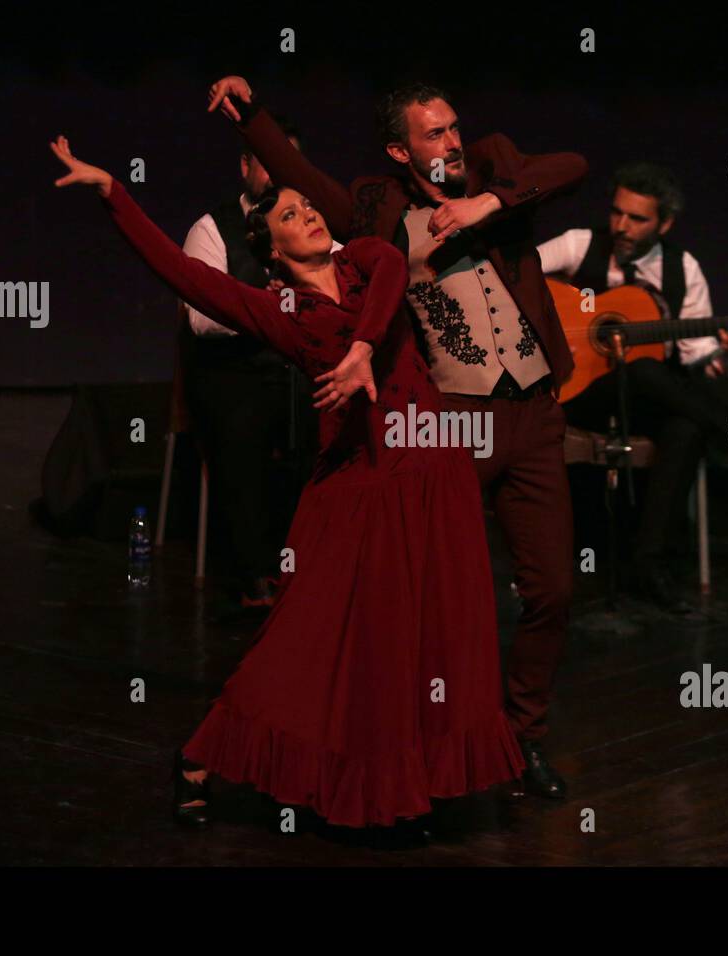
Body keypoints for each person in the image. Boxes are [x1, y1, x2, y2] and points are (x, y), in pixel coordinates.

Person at [50, 135, 526, 830]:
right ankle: (204, 757)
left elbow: (395, 267)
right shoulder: (280, 312)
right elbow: (185, 276)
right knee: (312, 635)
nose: (306, 214)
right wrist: (114, 197)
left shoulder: (364, 262)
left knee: (432, 633)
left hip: (431, 470)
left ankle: (421, 777)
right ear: (271, 251)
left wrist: (363, 349)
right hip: (356, 486)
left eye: (307, 205)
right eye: (288, 216)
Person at [207, 75, 585, 798]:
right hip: (454, 423)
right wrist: (251, 118)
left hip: (534, 413)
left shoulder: (493, 167)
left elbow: (571, 166)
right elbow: (300, 178)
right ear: (398, 148)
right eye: (433, 133)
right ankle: (433, 748)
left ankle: (524, 734)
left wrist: (488, 201)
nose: (451, 141)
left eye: (452, 127)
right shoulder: (376, 208)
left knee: (554, 591)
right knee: (437, 598)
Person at [538, 162, 728, 614]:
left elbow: (698, 355)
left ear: (665, 223)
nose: (621, 226)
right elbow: (509, 278)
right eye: (617, 213)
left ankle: (648, 564)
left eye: (637, 219)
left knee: (684, 425)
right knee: (640, 370)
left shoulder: (682, 270)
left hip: (646, 403)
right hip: (579, 396)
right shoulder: (580, 244)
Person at [178, 115, 321, 609]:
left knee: (335, 422)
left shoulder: (313, 225)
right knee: (244, 427)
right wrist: (265, 306)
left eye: (290, 163)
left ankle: (320, 564)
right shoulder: (212, 229)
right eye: (269, 162)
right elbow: (202, 320)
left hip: (299, 372)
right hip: (235, 372)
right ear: (244, 166)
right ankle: (254, 574)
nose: (281, 174)